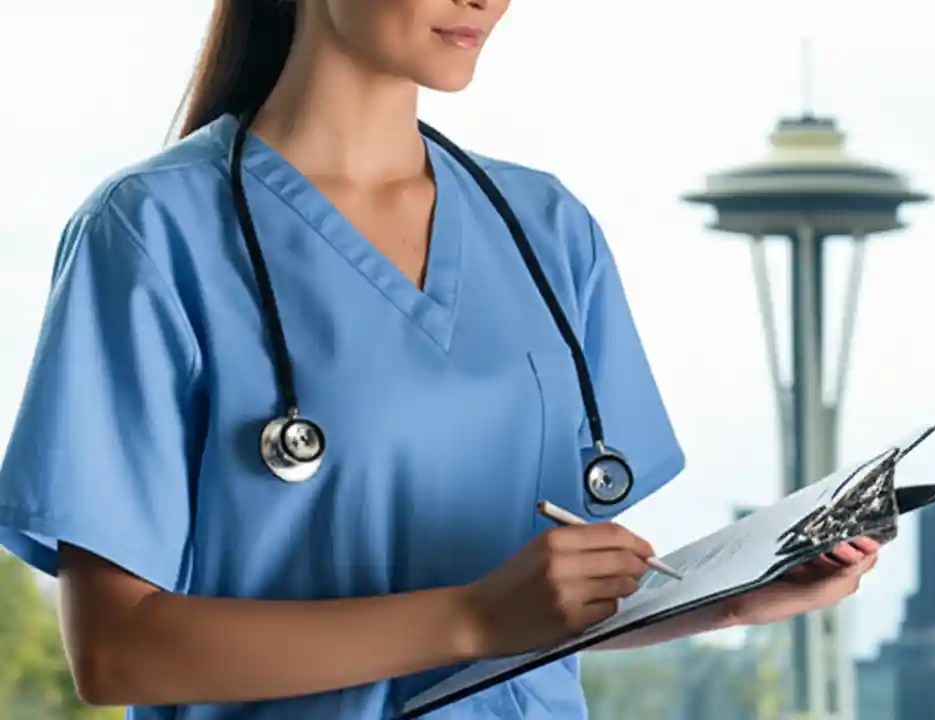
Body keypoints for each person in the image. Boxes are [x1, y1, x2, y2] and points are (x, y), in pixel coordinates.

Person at [0, 1, 881, 718]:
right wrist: (469, 616)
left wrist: (731, 597)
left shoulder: (544, 231)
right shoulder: (153, 233)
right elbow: (118, 652)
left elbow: (534, 613)